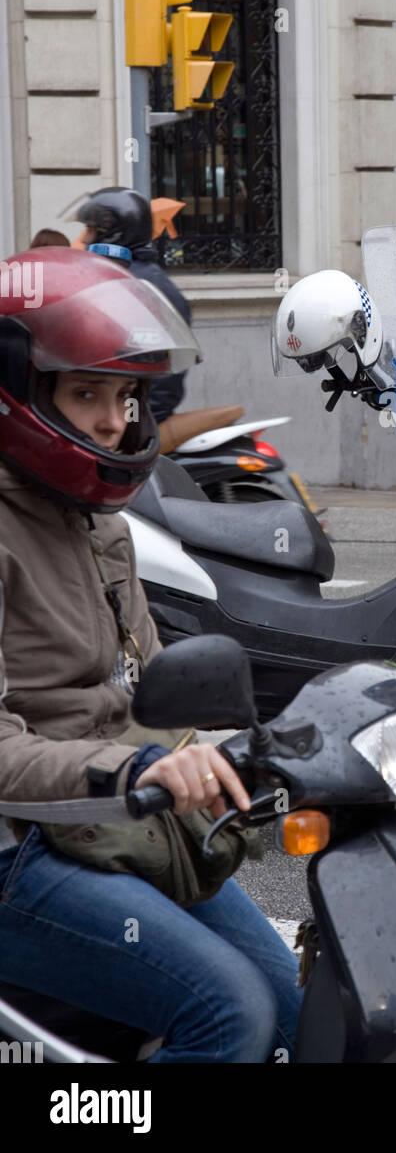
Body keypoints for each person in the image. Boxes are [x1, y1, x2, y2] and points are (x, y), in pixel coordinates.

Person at [0, 248, 303, 1060]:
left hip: (117, 821)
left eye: (125, 394)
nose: (111, 419)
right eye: (86, 391)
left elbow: (151, 681)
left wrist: (235, 751)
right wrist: (132, 773)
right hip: (22, 843)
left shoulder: (98, 516)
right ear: (21, 391)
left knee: (293, 1005)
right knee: (231, 1014)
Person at [75, 187, 192, 423]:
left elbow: (162, 374)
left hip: (132, 417)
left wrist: (133, 423)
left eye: (91, 230)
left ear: (114, 234)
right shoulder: (121, 276)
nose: (85, 238)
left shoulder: (133, 285)